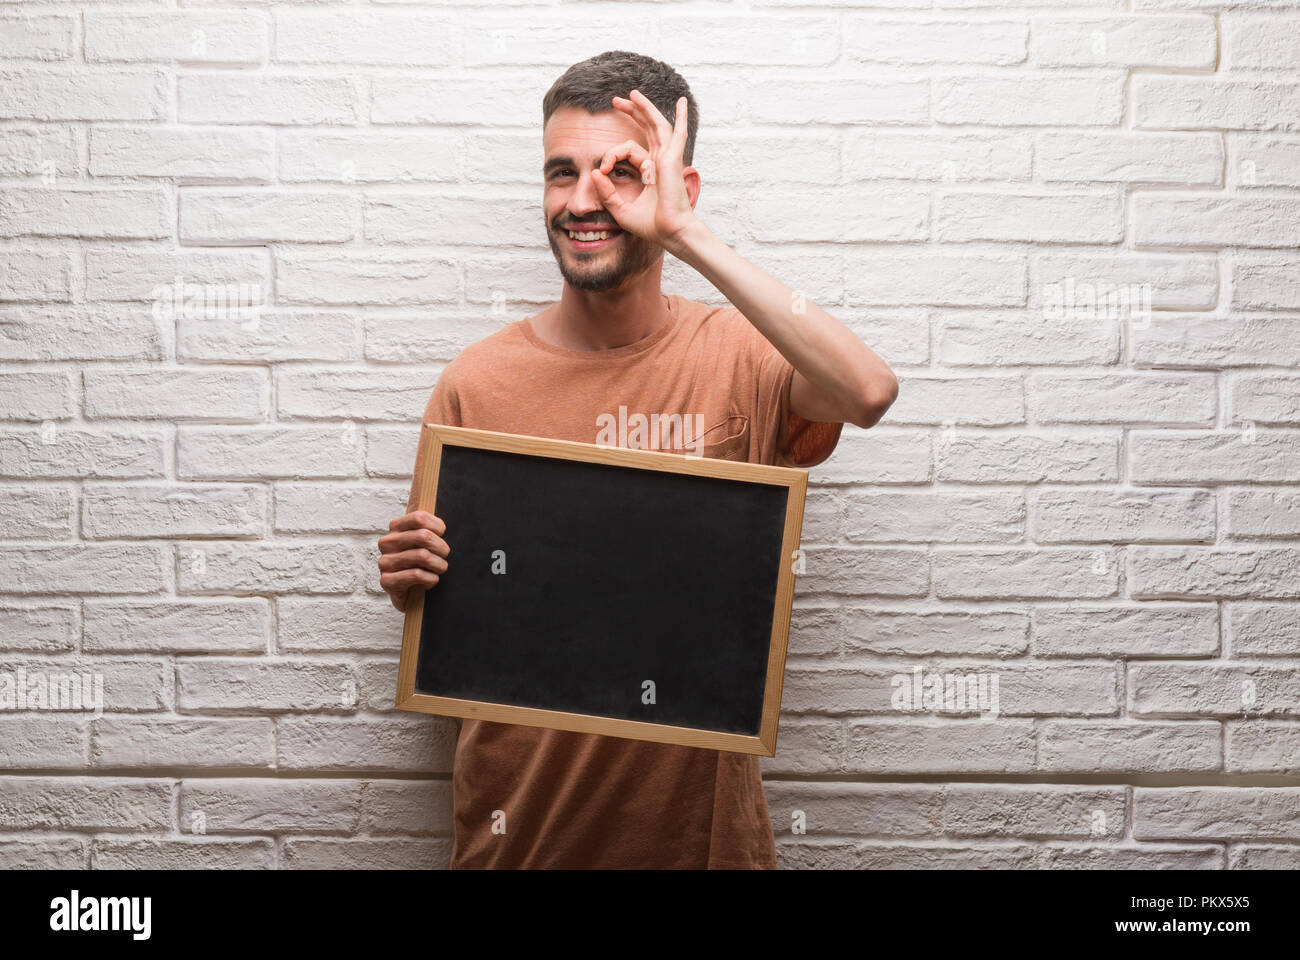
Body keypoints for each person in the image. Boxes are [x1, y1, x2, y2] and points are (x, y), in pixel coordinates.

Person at [376, 50, 898, 869]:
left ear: (676, 190)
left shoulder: (742, 358)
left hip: (704, 850)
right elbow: (449, 620)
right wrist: (414, 574)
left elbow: (868, 390)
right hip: (523, 846)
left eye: (620, 173)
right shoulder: (474, 384)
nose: (583, 201)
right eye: (561, 173)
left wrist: (689, 237)